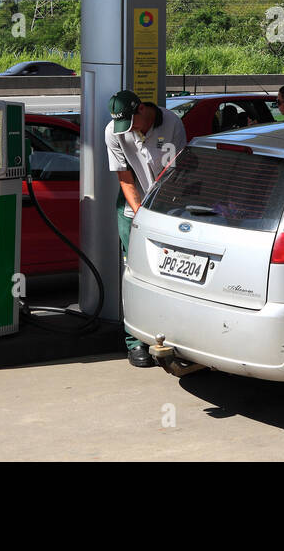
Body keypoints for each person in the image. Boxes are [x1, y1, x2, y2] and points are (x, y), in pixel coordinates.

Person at [105, 89, 187, 367]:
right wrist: (141, 218)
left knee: (169, 273)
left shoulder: (172, 124)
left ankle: (168, 337)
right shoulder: (113, 132)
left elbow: (174, 173)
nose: (128, 131)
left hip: (168, 205)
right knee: (134, 271)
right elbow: (125, 180)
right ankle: (134, 341)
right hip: (133, 208)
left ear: (141, 110)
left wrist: (161, 218)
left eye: (131, 123)